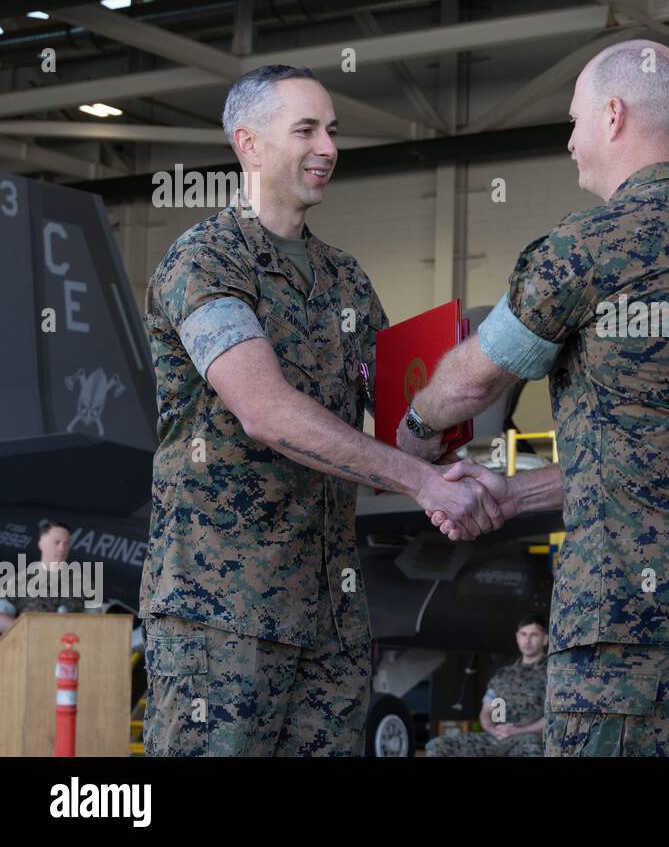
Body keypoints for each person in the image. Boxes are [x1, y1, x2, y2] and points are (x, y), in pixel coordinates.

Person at [396, 39, 669, 757]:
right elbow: (661, 455)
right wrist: (513, 494)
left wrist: (414, 434)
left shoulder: (589, 247)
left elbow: (474, 379)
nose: (570, 141)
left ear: (614, 116)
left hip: (626, 625)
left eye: (575, 120)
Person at [141, 64, 502, 757]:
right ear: (248, 144)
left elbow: (407, 420)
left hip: (331, 615)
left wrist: (455, 462)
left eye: (332, 130)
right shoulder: (206, 262)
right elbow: (265, 411)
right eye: (305, 129)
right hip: (222, 614)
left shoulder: (344, 279)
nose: (328, 146)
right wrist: (422, 482)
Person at [426, 615, 548, 757]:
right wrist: (493, 729)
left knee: (532, 748)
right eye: (523, 634)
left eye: (534, 635)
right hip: (495, 737)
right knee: (438, 746)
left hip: (528, 738)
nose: (527, 640)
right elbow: (486, 712)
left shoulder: (552, 674)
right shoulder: (503, 674)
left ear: (545, 639)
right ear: (517, 637)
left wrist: (519, 731)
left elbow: (552, 717)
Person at [0, 519, 88, 633]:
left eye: (66, 543)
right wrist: (30, 631)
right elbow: (1, 618)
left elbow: (98, 621)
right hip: (31, 646)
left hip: (72, 647)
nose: (62, 548)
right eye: (56, 542)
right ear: (41, 544)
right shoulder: (19, 581)